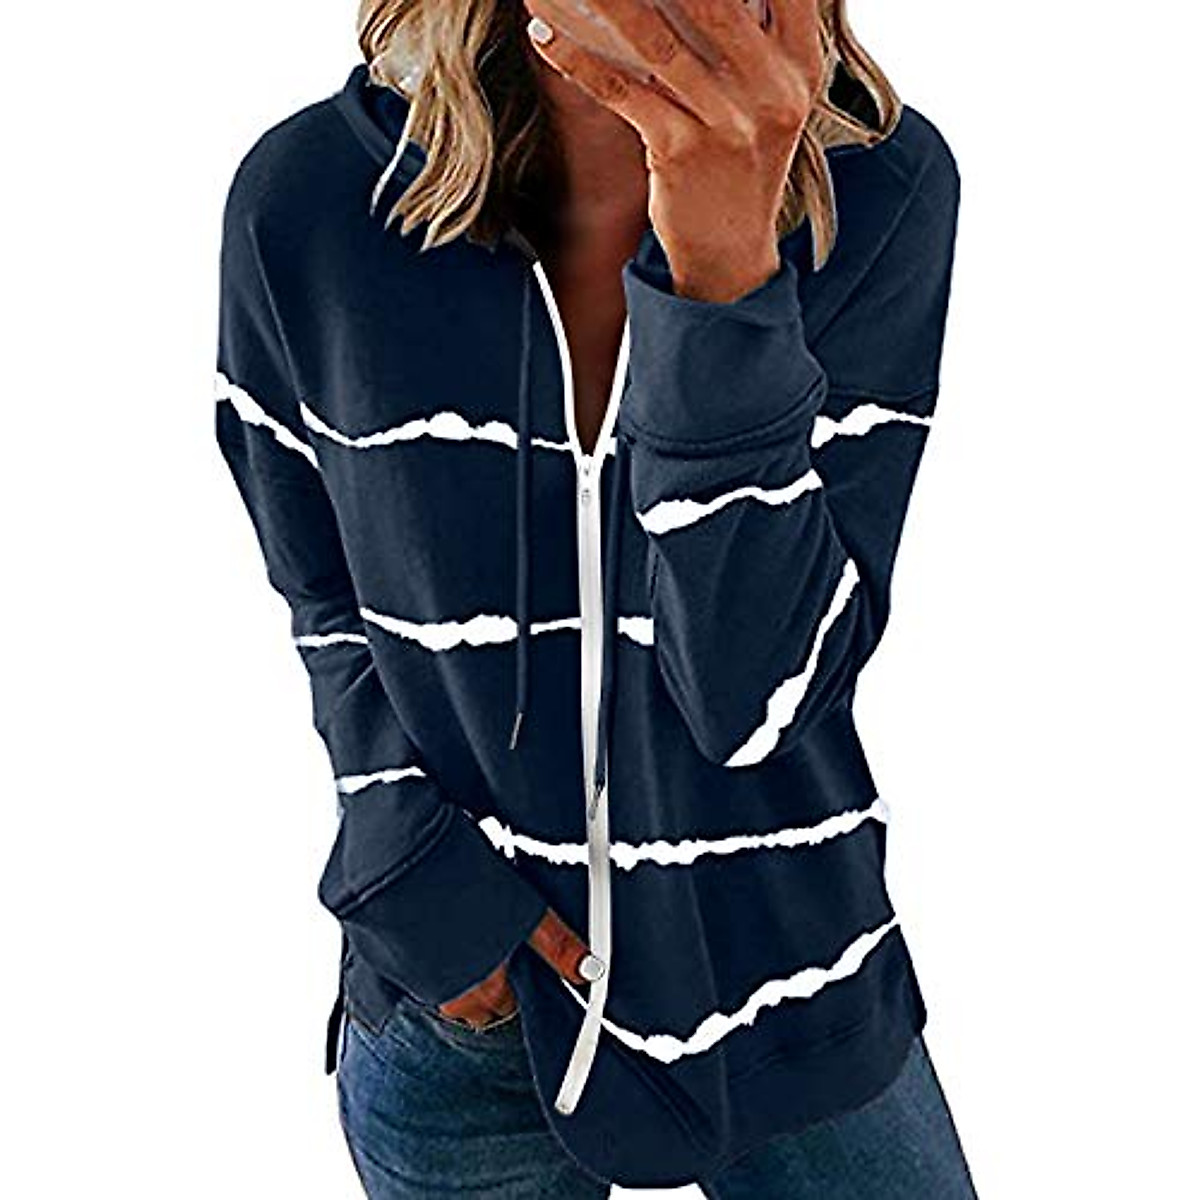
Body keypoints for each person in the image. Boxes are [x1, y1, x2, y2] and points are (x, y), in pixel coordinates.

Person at [213, 0, 973, 1194]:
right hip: (468, 1004)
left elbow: (760, 702)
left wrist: (724, 283)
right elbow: (322, 589)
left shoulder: (881, 187)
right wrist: (420, 884)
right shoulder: (308, 199)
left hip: (791, 974)